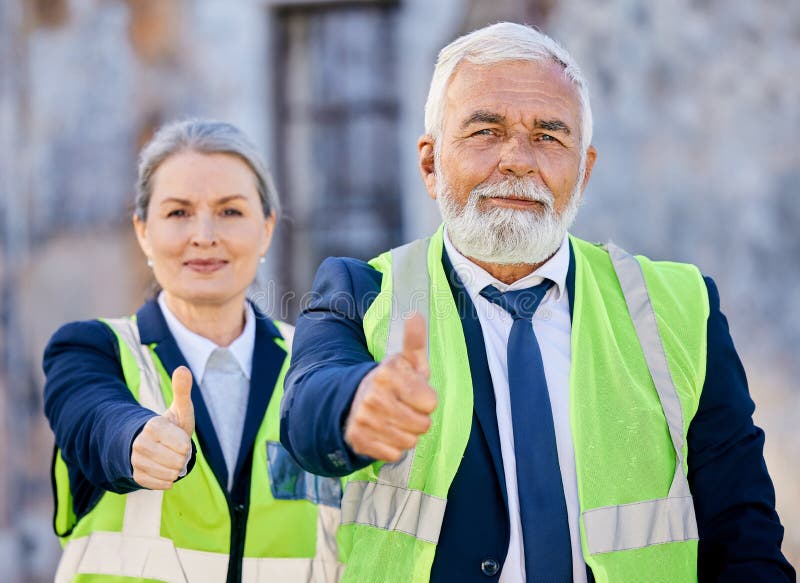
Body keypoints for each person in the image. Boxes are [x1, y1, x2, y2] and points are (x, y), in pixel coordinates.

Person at [279, 23, 795, 583]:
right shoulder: (362, 291)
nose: (518, 160)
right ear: (430, 164)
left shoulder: (681, 306)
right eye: (485, 131)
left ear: (584, 170)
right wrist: (356, 406)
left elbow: (743, 532)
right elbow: (307, 409)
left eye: (549, 136)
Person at [44, 119, 343, 583]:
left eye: (229, 211)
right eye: (178, 213)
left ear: (266, 229)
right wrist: (137, 440)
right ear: (143, 231)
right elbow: (93, 417)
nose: (203, 235)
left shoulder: (314, 362)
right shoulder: (90, 349)